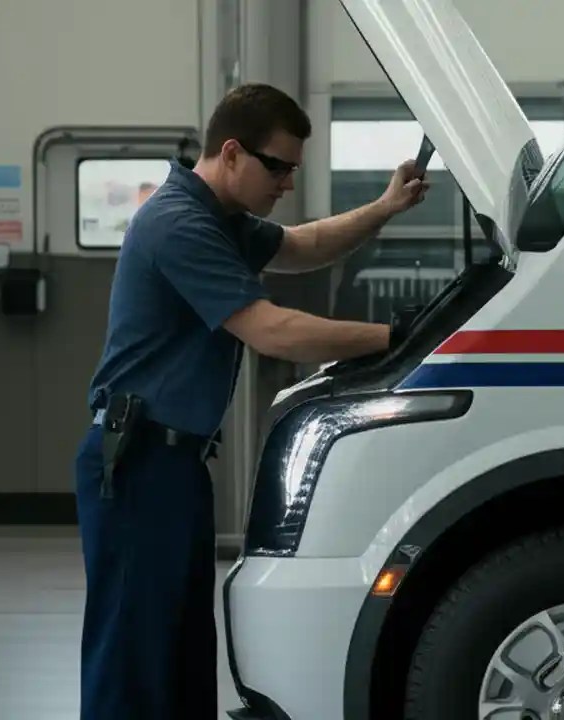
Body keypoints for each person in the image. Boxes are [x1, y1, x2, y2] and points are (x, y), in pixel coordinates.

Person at [72, 82, 428, 720]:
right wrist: (400, 340)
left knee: (178, 652)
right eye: (278, 166)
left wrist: (384, 207)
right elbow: (271, 331)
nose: (287, 181)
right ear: (231, 153)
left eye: (294, 168)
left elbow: (305, 245)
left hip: (173, 462)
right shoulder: (179, 223)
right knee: (133, 655)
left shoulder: (222, 219)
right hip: (136, 463)